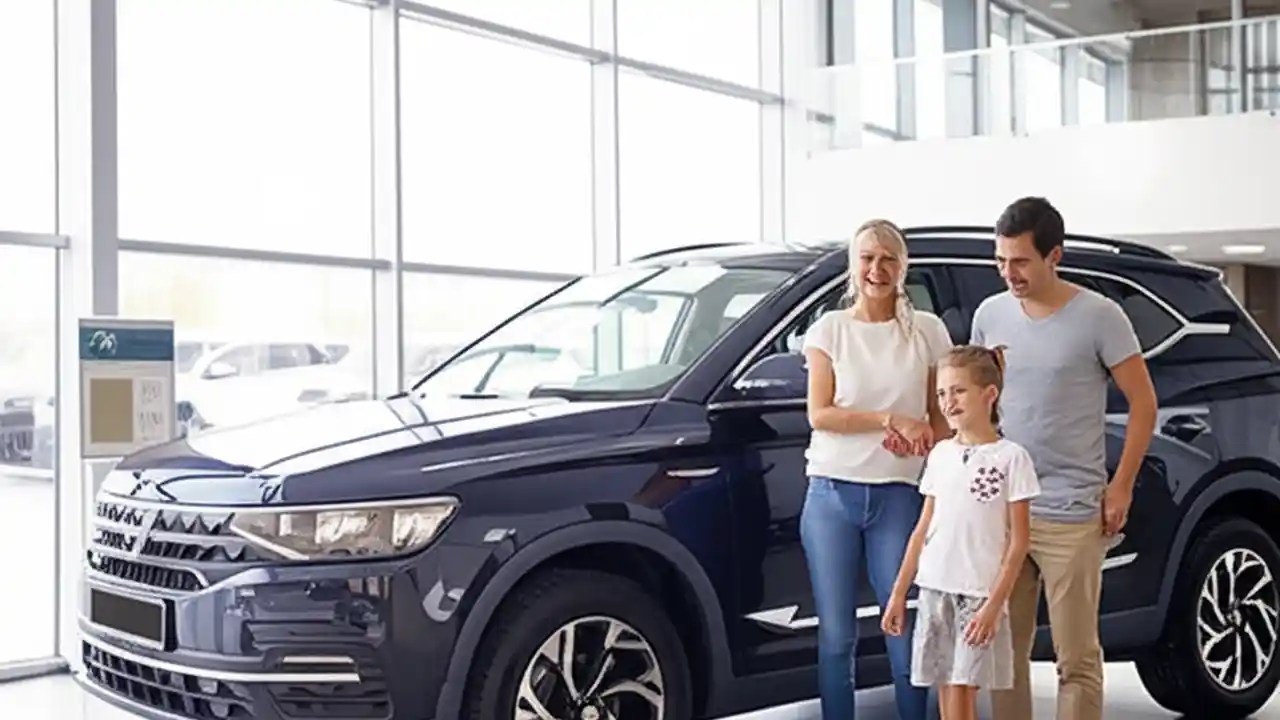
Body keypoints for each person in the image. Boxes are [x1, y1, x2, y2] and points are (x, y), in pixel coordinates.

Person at [971, 197, 1158, 720]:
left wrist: (1120, 486)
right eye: (1001, 261)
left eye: (1022, 261)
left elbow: (1144, 404)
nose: (1010, 273)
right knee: (1005, 655)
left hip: (1073, 512)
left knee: (1075, 659)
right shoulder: (990, 315)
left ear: (1055, 255)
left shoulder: (1100, 316)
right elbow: (978, 406)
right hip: (1007, 510)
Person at [800, 218, 953, 719]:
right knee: (837, 635)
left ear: (903, 267)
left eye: (888, 258)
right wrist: (887, 419)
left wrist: (924, 438)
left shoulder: (928, 332)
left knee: (900, 624)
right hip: (831, 496)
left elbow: (942, 418)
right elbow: (819, 413)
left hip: (898, 495)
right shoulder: (830, 331)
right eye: (868, 257)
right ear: (853, 265)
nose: (877, 268)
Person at [881, 345, 1040, 720]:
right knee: (947, 689)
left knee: (965, 688)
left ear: (989, 394)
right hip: (936, 587)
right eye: (941, 393)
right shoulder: (939, 456)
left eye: (958, 391)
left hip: (978, 594)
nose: (948, 402)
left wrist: (993, 605)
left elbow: (1018, 542)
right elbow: (923, 530)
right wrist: (898, 594)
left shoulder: (1011, 458)